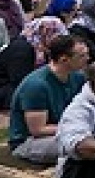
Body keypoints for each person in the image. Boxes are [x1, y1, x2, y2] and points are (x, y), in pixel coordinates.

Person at [9, 35, 88, 164]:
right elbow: (38, 130)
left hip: (66, 131)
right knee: (83, 146)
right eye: (82, 56)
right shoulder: (37, 85)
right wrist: (77, 128)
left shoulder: (78, 77)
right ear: (64, 60)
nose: (87, 59)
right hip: (29, 141)